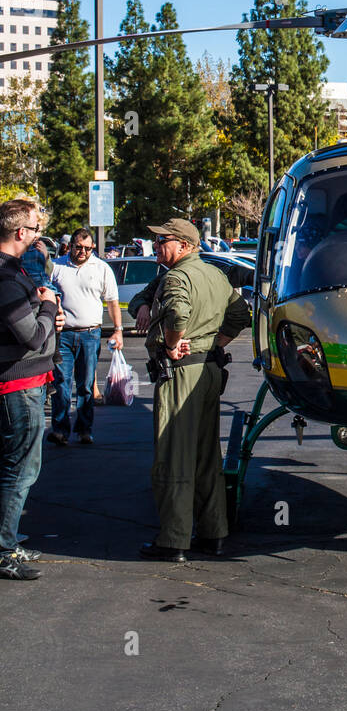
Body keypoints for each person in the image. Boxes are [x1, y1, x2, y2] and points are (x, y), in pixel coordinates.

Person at [139, 218, 250, 562]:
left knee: (174, 456)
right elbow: (240, 313)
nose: (157, 246)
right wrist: (215, 342)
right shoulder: (215, 274)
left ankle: (173, 540)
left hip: (181, 374)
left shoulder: (177, 277)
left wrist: (172, 345)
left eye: (163, 241)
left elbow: (176, 313)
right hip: (208, 370)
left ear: (184, 245)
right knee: (206, 457)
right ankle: (213, 532)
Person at [0, 198, 64, 580]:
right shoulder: (7, 279)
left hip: (24, 383)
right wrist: (47, 308)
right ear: (21, 232)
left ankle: (8, 540)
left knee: (18, 466)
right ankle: (4, 549)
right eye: (38, 228)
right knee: (19, 469)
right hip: (18, 387)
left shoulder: (13, 272)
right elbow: (30, 336)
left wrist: (45, 312)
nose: (41, 235)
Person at [49, 228, 122, 445]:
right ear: (70, 246)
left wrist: (118, 330)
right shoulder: (57, 267)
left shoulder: (102, 268)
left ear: (92, 249)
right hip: (62, 335)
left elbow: (112, 301)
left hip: (90, 334)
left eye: (88, 248)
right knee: (61, 383)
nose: (83, 252)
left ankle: (84, 429)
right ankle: (60, 430)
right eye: (78, 247)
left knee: (86, 385)